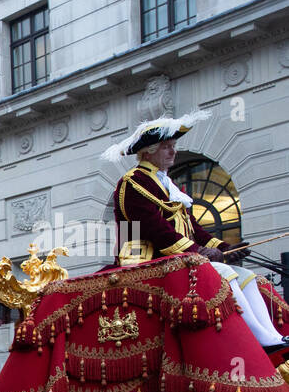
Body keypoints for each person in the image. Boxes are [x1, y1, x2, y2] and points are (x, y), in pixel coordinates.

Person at [104, 110, 285, 348]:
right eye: (166, 146)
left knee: (247, 276)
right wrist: (199, 252)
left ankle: (270, 337)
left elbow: (194, 228)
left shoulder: (166, 183)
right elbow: (157, 231)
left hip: (177, 258)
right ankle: (258, 340)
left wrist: (225, 248)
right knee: (223, 272)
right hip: (146, 261)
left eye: (173, 145)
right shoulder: (134, 182)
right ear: (148, 151)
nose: (173, 151)